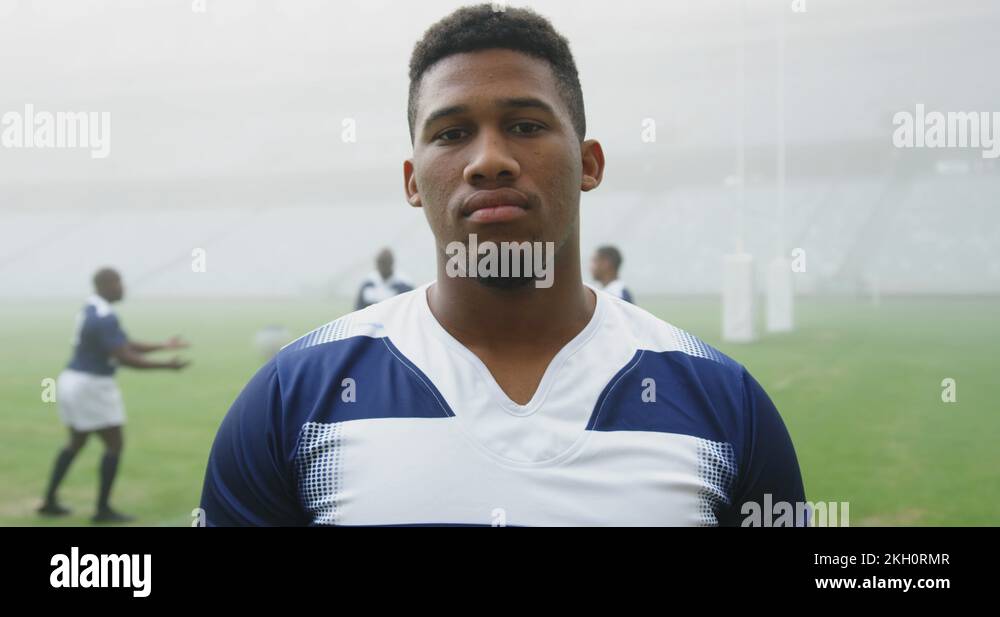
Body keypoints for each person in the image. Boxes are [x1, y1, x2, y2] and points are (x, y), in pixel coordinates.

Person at [201, 4, 805, 526]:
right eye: (452, 133)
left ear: (589, 163)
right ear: (413, 181)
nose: (489, 160)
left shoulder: (725, 407)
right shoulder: (293, 400)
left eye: (525, 126)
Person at [40, 268, 190, 523]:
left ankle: (50, 501)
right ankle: (102, 510)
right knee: (114, 444)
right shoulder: (104, 316)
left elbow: (125, 344)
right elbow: (126, 358)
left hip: (73, 381)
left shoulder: (92, 308)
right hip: (92, 385)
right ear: (106, 285)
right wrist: (168, 366)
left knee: (76, 442)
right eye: (119, 283)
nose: (123, 288)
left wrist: (163, 345)